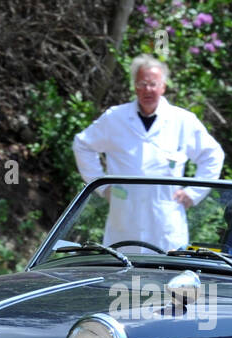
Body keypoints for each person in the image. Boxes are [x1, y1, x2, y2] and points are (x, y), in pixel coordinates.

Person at [72, 55, 223, 253]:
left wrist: (193, 193)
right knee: (121, 277)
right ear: (135, 87)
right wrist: (102, 186)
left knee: (167, 279)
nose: (148, 90)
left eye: (153, 84)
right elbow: (82, 144)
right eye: (142, 84)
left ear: (163, 87)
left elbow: (213, 155)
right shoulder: (115, 117)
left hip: (166, 223)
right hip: (124, 221)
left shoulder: (182, 120)